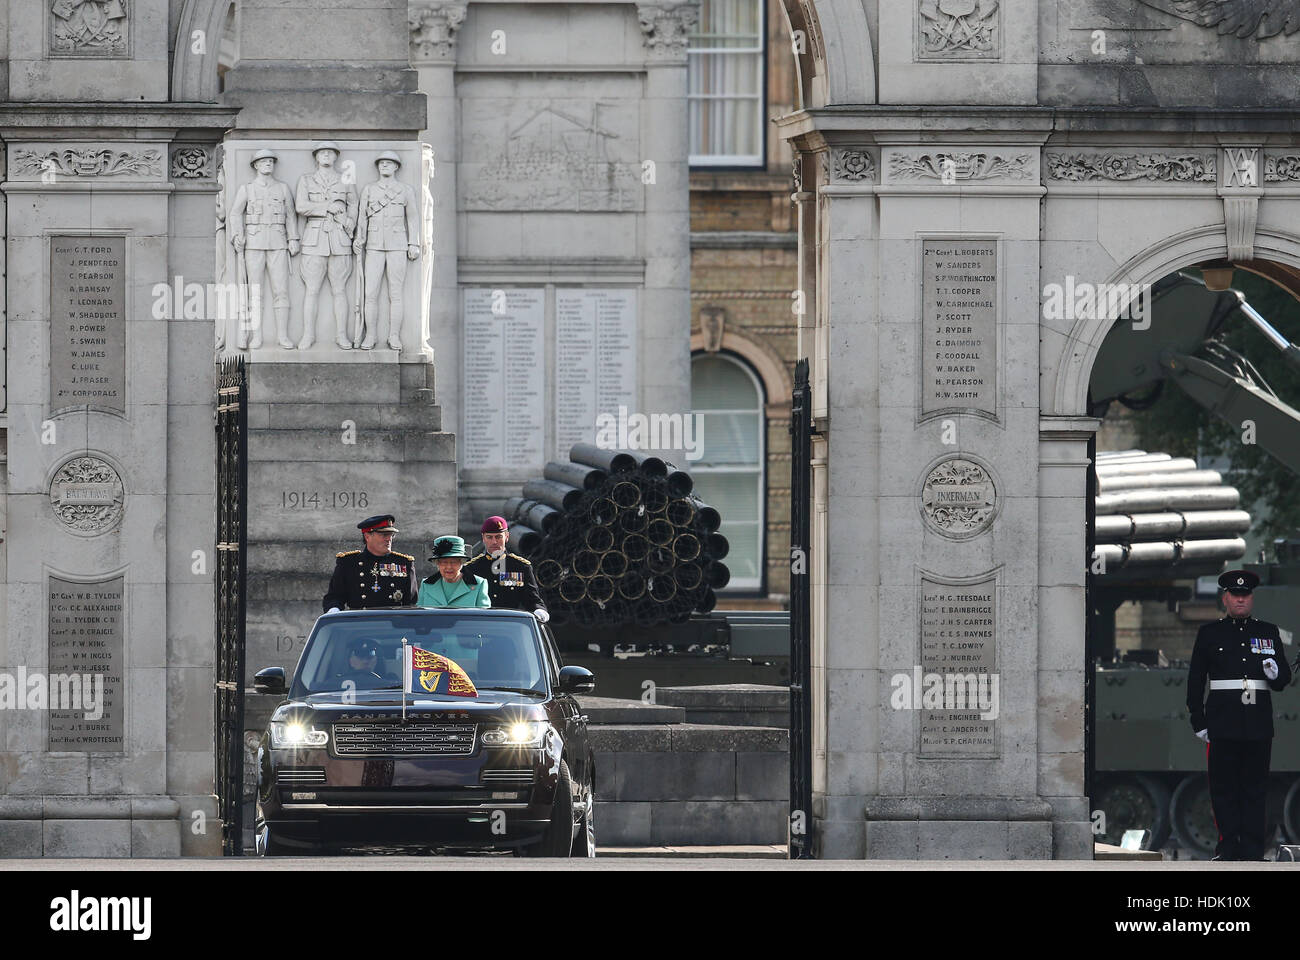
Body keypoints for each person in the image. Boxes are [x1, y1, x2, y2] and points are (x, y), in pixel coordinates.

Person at [1186, 568, 1292, 860]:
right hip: (1223, 721)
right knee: (1224, 789)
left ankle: (1253, 849)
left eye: (1245, 595)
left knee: (1256, 790)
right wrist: (1198, 719)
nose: (1241, 600)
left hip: (1257, 723)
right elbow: (1196, 679)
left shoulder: (1268, 632)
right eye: (1235, 595)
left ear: (1252, 598)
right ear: (1225, 598)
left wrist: (1275, 671)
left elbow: (1283, 681)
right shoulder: (1210, 633)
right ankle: (1228, 847)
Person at [230, 148, 301, 350]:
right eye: (264, 161)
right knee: (255, 293)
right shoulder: (247, 189)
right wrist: (238, 234)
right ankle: (257, 336)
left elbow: (290, 215)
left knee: (281, 290)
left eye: (271, 161)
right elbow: (235, 214)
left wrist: (293, 238)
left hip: (278, 243)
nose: (268, 164)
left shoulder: (283, 188)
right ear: (256, 166)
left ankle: (282, 335)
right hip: (254, 243)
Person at [353, 151, 420, 351]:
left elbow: (413, 217)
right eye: (382, 163)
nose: (384, 166)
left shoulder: (405, 190)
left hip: (398, 245)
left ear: (396, 167)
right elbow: (362, 217)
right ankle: (371, 335)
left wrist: (413, 243)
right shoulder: (369, 189)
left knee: (395, 294)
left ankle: (394, 336)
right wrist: (359, 238)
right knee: (370, 294)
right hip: (373, 245)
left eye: (389, 163)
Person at [295, 141, 359, 350]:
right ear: (316, 157)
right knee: (311, 291)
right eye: (322, 152)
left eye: (330, 153)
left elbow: (354, 204)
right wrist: (327, 207)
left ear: (335, 157)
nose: (326, 156)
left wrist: (350, 221)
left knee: (339, 290)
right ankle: (308, 335)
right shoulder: (306, 180)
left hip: (339, 240)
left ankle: (341, 335)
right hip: (314, 240)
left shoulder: (346, 180)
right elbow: (301, 206)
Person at [323, 515, 419, 612]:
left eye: (391, 535)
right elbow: (334, 597)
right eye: (384, 535)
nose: (389, 539)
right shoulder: (348, 563)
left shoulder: (404, 563)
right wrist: (334, 610)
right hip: (359, 623)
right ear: (367, 536)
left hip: (391, 623)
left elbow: (411, 602)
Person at [463, 516, 548, 621]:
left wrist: (539, 611)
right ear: (483, 538)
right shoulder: (472, 568)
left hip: (510, 626)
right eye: (489, 537)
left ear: (507, 536)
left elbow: (532, 600)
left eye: (498, 537)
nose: (494, 542)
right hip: (481, 625)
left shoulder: (521, 567)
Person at [417, 536, 491, 608]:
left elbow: (484, 618)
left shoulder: (478, 585)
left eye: (454, 562)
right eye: (444, 562)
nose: (449, 567)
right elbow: (419, 617)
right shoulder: (426, 585)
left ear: (462, 563)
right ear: (437, 563)